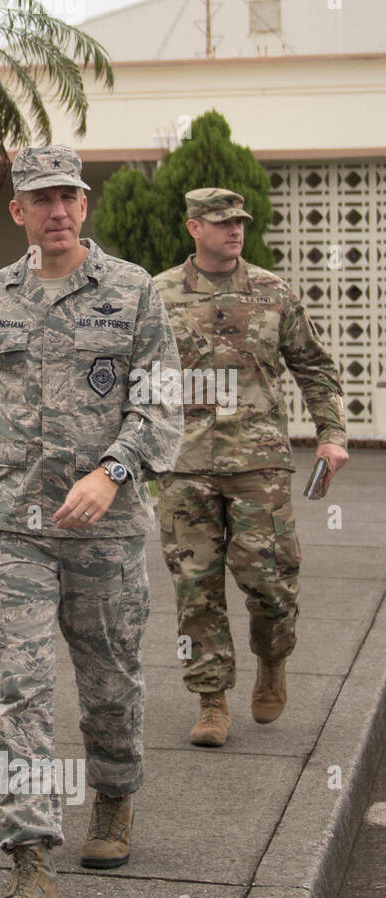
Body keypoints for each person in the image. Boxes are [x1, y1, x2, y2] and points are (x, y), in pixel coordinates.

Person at [0, 145, 183, 898]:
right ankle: (30, 861)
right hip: (14, 522)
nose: (57, 210)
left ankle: (115, 795)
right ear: (17, 212)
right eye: (40, 199)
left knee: (110, 681)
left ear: (85, 207)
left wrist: (114, 471)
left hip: (106, 529)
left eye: (69, 197)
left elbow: (160, 405)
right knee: (21, 687)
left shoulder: (133, 292)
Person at [153, 188, 348, 747]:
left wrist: (330, 434)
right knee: (196, 587)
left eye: (239, 222)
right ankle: (211, 700)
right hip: (184, 464)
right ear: (194, 228)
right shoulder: (159, 295)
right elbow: (130, 373)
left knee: (270, 582)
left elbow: (314, 366)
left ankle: (272, 657)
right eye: (220, 223)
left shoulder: (272, 292)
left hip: (258, 464)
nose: (233, 230)